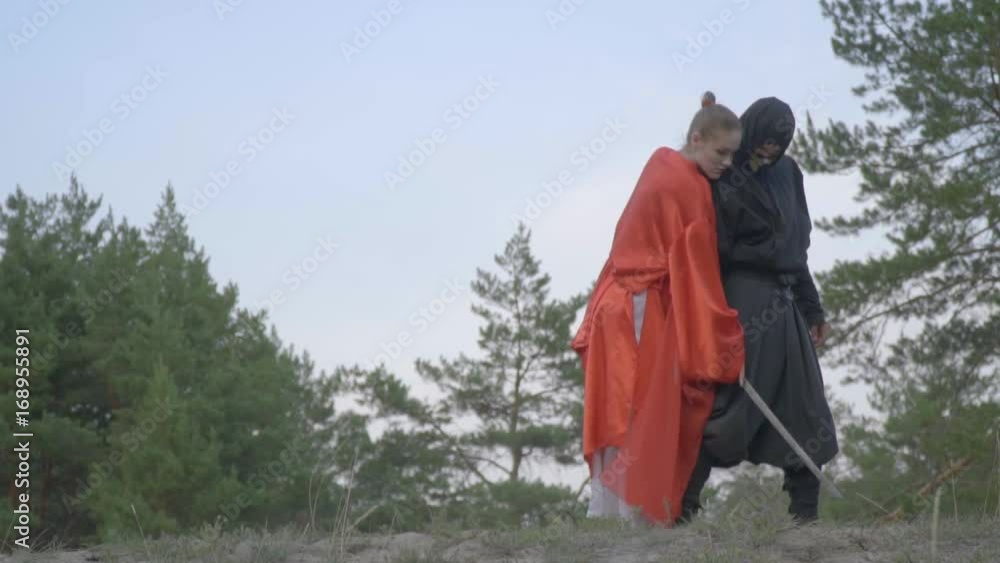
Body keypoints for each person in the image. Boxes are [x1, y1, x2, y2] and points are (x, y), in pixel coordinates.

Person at [572, 92, 747, 523]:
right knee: (644, 405)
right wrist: (722, 338)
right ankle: (635, 514)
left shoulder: (659, 161)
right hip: (638, 305)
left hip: (613, 301)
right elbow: (698, 272)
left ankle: (610, 510)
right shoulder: (688, 187)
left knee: (620, 403)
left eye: (732, 155)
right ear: (697, 138)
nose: (727, 163)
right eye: (720, 152)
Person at [680, 96, 840, 524]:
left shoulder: (788, 174)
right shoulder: (722, 174)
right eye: (763, 142)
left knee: (805, 406)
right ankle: (681, 510)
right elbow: (703, 251)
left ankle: (805, 516)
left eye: (778, 144)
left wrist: (812, 308)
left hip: (786, 304)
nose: (768, 151)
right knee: (732, 404)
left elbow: (795, 249)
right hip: (741, 300)